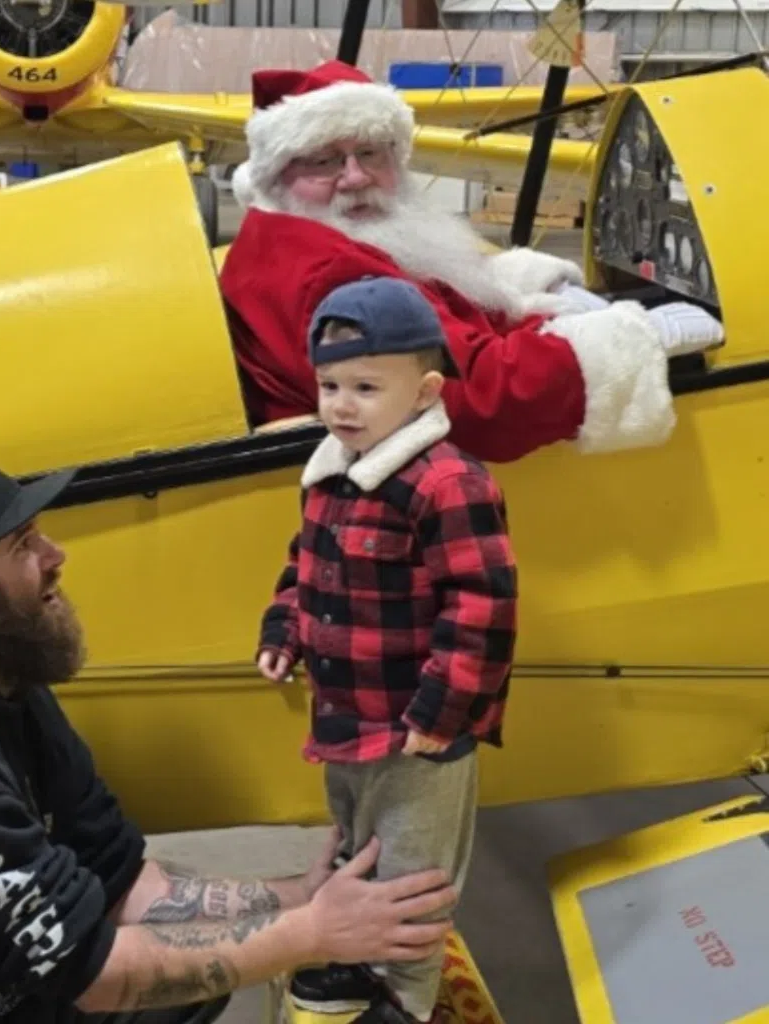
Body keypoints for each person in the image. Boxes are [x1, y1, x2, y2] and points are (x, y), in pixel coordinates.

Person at [0, 453, 459, 1024]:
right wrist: (311, 937)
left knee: (187, 978)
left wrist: (298, 898)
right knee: (159, 978)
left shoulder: (0, 684)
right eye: (24, 546)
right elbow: (90, 974)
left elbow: (116, 877)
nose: (57, 555)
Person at [219, 59, 725, 463]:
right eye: (324, 160)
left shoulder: (286, 238)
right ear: (278, 174)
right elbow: (478, 402)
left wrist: (535, 304)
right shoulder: (336, 276)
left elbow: (436, 310)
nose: (355, 177)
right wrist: (632, 340)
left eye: (371, 153)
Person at [256, 277, 518, 1024]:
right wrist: (283, 630)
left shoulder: (448, 484)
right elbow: (301, 565)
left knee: (413, 876)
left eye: (366, 386)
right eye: (329, 385)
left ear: (426, 391)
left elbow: (484, 608)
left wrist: (444, 709)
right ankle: (357, 961)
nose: (341, 405)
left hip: (418, 731)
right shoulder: (332, 473)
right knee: (356, 850)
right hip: (346, 720)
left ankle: (404, 1001)